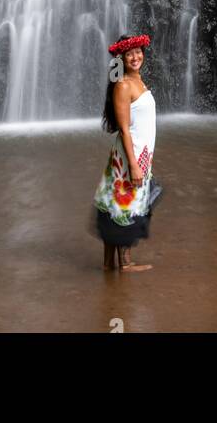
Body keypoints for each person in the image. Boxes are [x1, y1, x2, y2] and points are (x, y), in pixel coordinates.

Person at [94, 33, 157, 272]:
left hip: (141, 154)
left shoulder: (138, 81)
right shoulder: (123, 85)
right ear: (121, 58)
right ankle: (126, 262)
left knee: (119, 204)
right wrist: (133, 164)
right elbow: (124, 129)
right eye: (128, 54)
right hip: (130, 156)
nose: (135, 57)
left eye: (138, 51)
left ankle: (110, 263)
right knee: (125, 205)